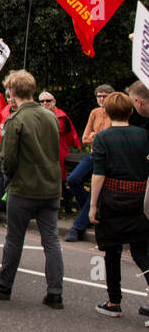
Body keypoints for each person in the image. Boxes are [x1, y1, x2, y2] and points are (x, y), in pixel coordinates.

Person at [0, 70, 64, 308]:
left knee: (14, 238)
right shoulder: (50, 116)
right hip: (50, 184)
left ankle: (4, 283)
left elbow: (7, 159)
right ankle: (55, 291)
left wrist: (10, 178)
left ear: (12, 91)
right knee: (51, 239)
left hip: (24, 186)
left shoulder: (15, 120)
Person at [85, 92, 149, 318]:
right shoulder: (144, 135)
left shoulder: (102, 138)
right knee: (142, 251)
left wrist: (92, 205)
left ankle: (114, 302)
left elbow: (98, 175)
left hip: (112, 199)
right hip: (140, 199)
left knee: (112, 251)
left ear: (107, 112)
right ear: (131, 110)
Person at [68, 84, 114, 241]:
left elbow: (110, 139)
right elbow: (85, 138)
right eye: (99, 96)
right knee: (73, 179)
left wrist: (95, 135)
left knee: (97, 189)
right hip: (93, 154)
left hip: (108, 158)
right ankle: (88, 214)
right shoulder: (94, 112)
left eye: (104, 96)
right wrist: (98, 135)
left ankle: (78, 227)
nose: (101, 99)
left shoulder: (116, 113)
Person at [39, 91, 83, 213]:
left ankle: (66, 205)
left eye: (47, 101)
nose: (44, 103)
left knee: (59, 179)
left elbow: (54, 131)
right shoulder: (41, 115)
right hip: (45, 150)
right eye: (42, 101)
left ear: (54, 102)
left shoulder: (60, 116)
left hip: (57, 151)